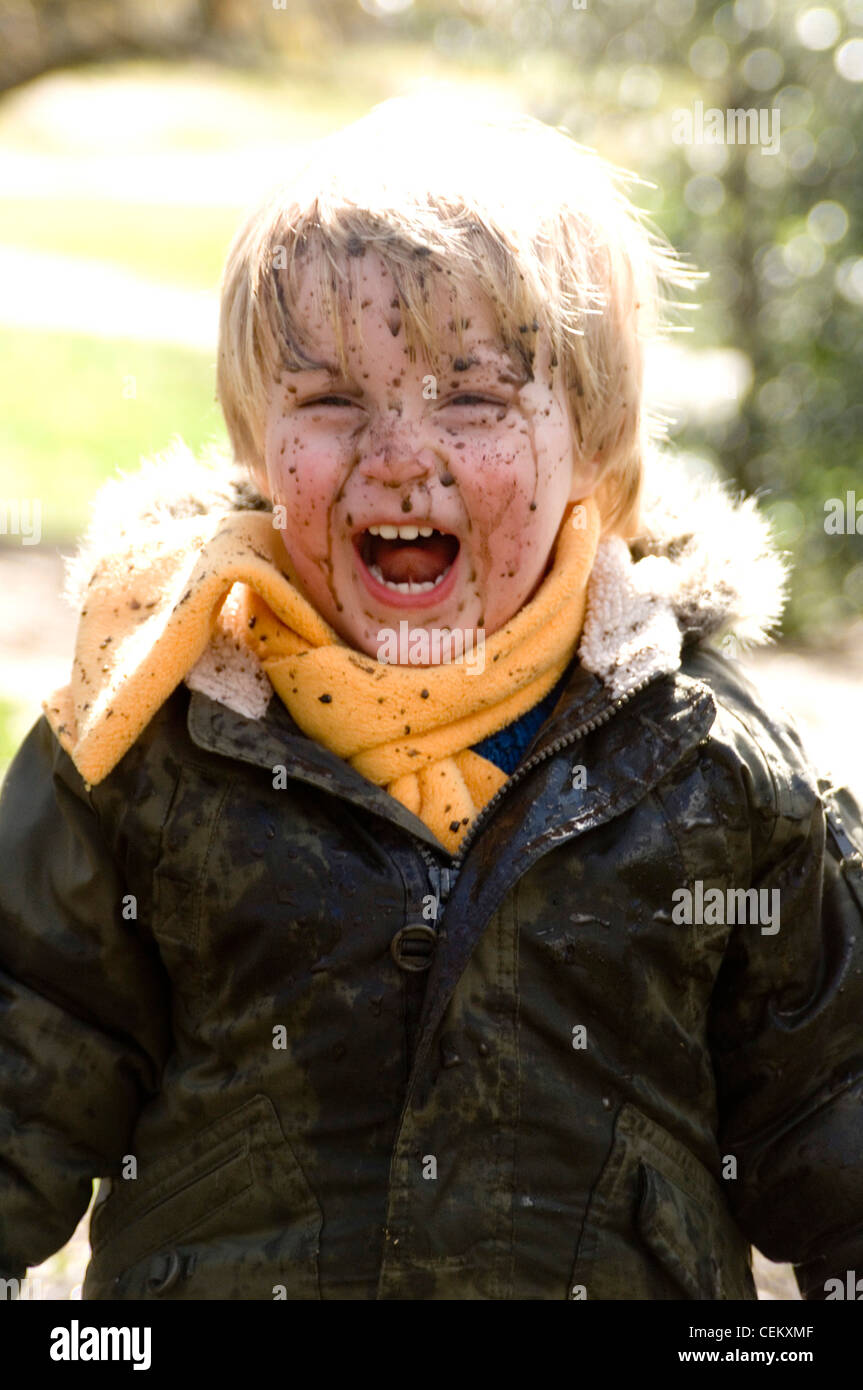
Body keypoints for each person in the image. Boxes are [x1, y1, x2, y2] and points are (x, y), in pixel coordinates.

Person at [2, 97, 862, 1302]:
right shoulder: (153, 733)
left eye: (472, 396)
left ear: (593, 443)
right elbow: (25, 1069)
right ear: (256, 437)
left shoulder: (712, 774)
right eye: (330, 401)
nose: (398, 454)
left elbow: (835, 1121)